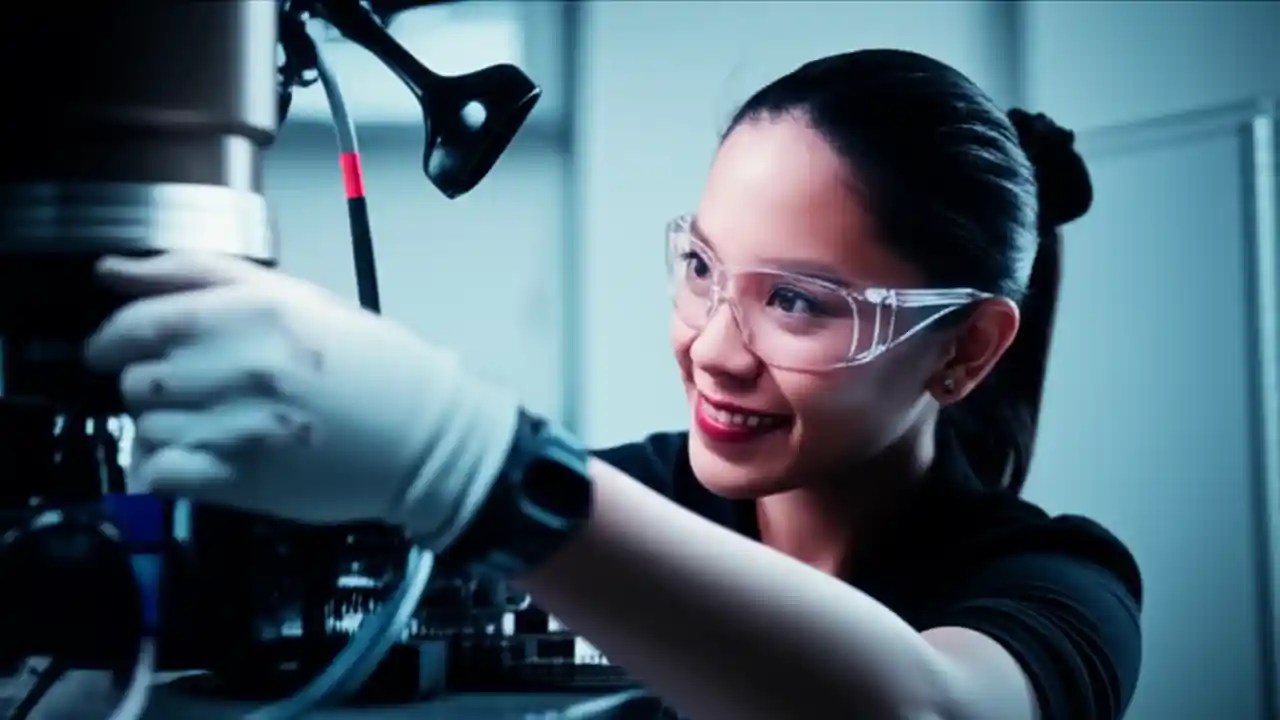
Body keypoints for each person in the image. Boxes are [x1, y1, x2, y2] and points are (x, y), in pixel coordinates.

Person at [84, 49, 1142, 720]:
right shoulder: (610, 502)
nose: (714, 350)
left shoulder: (1056, 586)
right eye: (700, 270)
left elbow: (924, 709)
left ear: (963, 349)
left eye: (800, 303)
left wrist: (472, 465)